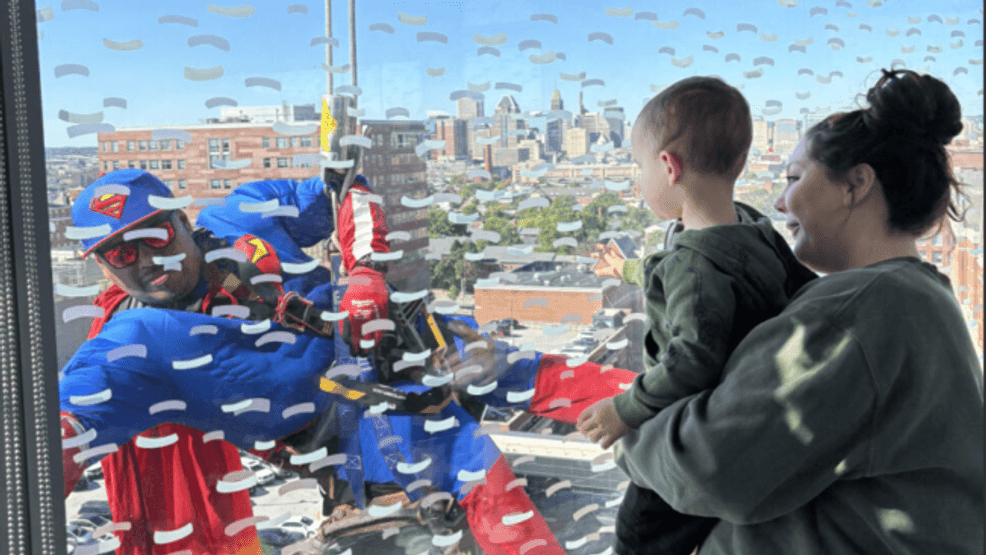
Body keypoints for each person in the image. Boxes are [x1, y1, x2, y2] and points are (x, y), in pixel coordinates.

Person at [59, 169, 637, 555]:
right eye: (120, 254)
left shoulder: (243, 215)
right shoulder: (134, 344)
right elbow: (59, 431)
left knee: (561, 380)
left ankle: (691, 403)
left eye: (155, 235)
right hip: (361, 430)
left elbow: (343, 183)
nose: (145, 261)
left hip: (407, 341)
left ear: (182, 219)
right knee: (491, 487)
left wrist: (364, 268)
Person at [608, 68, 984, 554]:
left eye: (794, 178)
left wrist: (628, 426)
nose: (780, 201)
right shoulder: (914, 297)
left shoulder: (854, 316)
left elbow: (712, 468)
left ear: (855, 184)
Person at [573, 76, 819, 555]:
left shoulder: (695, 265)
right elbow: (800, 292)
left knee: (638, 536)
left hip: (688, 432)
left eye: (637, 167)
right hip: (747, 421)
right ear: (742, 161)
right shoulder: (755, 228)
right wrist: (625, 268)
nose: (637, 179)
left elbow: (691, 360)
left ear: (667, 167)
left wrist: (624, 410)